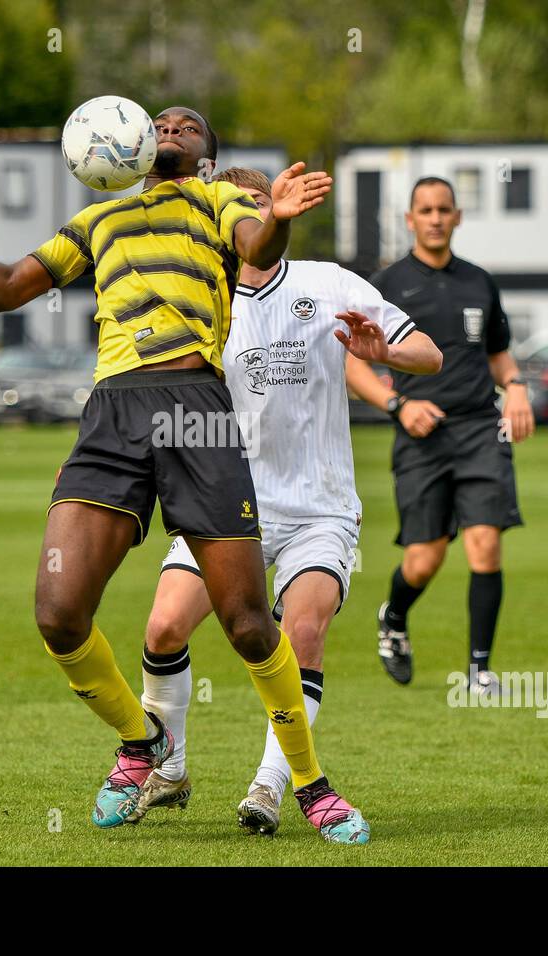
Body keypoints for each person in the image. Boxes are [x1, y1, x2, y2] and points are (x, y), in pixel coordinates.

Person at [0, 106, 368, 843]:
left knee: (245, 621)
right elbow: (8, 286)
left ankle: (309, 783)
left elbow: (256, 240)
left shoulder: (218, 201)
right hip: (111, 412)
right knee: (57, 610)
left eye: (188, 125)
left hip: (195, 410)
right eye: (161, 120)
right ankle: (145, 743)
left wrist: (281, 219)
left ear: (206, 156)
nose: (171, 126)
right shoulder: (99, 221)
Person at [132, 167, 441, 836]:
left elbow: (431, 354)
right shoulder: (195, 301)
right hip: (225, 507)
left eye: (257, 206)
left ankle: (272, 786)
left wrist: (382, 350)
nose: (248, 220)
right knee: (162, 628)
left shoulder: (328, 283)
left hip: (318, 509)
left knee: (302, 630)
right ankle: (171, 764)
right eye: (235, 209)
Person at [344, 176, 534, 694]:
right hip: (421, 438)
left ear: (457, 217)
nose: (434, 218)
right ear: (410, 220)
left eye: (443, 209)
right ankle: (395, 618)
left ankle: (479, 671)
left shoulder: (479, 282)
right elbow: (354, 366)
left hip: (478, 428)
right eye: (424, 210)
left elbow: (498, 352)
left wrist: (515, 387)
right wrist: (398, 405)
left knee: (485, 545)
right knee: (425, 559)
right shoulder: (384, 285)